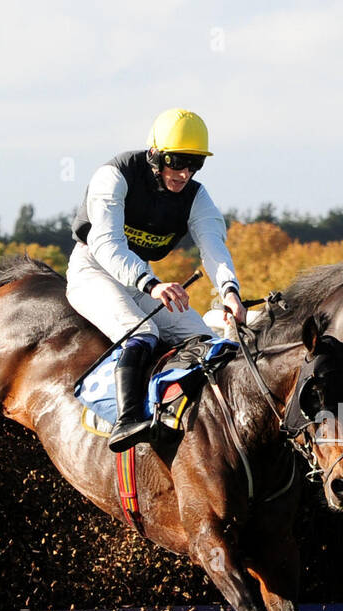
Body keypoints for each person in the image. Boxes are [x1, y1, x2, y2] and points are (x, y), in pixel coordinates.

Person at [67, 108, 247, 452]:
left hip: (141, 279)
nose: (184, 173)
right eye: (177, 161)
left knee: (204, 339)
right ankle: (127, 420)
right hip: (94, 271)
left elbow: (213, 248)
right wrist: (151, 284)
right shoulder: (114, 176)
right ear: (155, 155)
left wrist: (229, 292)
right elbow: (106, 244)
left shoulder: (196, 196)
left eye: (194, 164)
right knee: (144, 332)